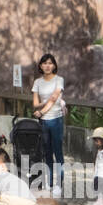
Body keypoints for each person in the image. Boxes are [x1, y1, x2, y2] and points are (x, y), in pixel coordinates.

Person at [30, 53, 66, 195]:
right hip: (43, 123)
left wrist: (42, 111)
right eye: (44, 63)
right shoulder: (37, 82)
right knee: (47, 153)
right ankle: (49, 184)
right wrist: (43, 106)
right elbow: (35, 104)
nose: (47, 66)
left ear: (55, 65)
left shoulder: (59, 80)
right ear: (40, 66)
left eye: (50, 63)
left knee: (58, 153)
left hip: (56, 120)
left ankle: (59, 184)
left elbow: (54, 97)